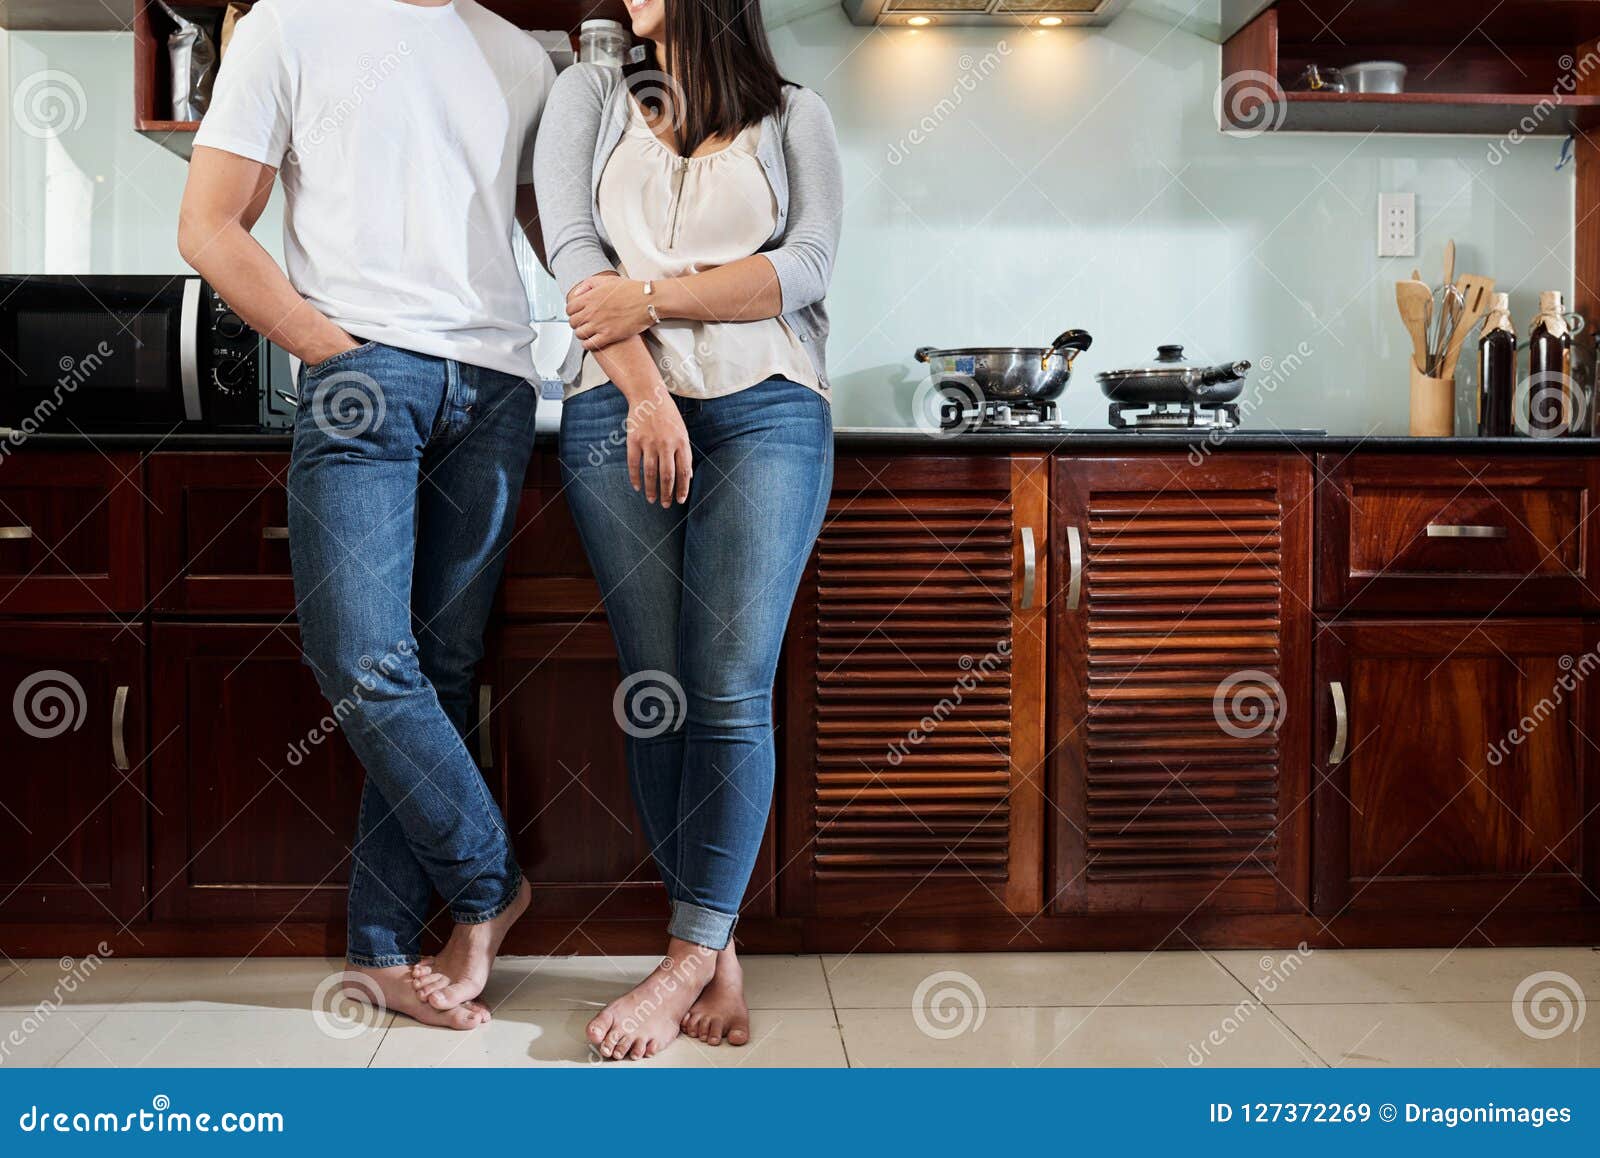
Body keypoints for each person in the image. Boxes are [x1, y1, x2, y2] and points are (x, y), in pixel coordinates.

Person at [177, 0, 555, 1030]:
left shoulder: (521, 54)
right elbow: (208, 225)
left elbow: (547, 229)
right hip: (362, 374)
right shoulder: (286, 24)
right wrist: (333, 352)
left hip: (499, 384)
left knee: (434, 671)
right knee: (363, 662)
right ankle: (490, 884)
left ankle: (385, 948)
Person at [534, 0, 842, 1059]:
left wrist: (650, 301)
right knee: (657, 685)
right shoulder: (586, 94)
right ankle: (716, 948)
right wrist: (647, 395)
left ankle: (681, 957)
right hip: (619, 407)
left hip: (768, 404)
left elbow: (803, 268)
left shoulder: (792, 114)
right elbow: (574, 258)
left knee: (725, 685)